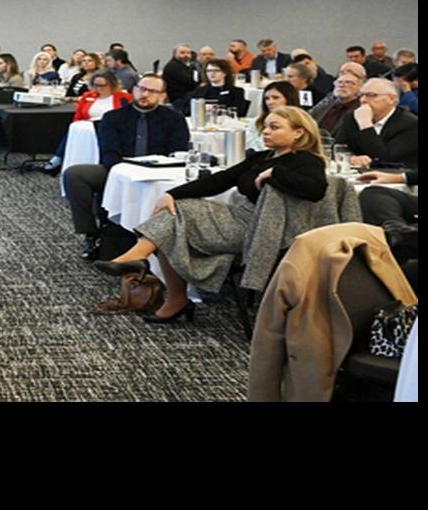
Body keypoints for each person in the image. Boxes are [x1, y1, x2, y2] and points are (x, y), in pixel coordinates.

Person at [93, 106, 329, 322]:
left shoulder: (306, 161)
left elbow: (316, 189)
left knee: (177, 216)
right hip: (241, 218)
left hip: (262, 230)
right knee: (173, 215)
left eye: (274, 127)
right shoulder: (262, 157)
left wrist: (275, 174)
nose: (266, 132)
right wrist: (173, 194)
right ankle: (158, 278)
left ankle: (155, 275)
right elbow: (221, 181)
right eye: (265, 126)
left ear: (298, 133)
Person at [62, 74, 190, 260]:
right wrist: (127, 173)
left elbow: (178, 152)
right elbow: (109, 153)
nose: (144, 94)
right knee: (75, 175)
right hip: (118, 170)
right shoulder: (113, 117)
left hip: (158, 172)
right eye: (141, 89)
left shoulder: (174, 119)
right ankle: (91, 233)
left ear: (162, 96)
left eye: (152, 91)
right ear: (133, 91)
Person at [31, 70, 133, 176]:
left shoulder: (124, 98)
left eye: (103, 85)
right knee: (73, 129)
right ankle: (59, 159)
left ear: (112, 84)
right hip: (88, 127)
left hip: (112, 128)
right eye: (97, 85)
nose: (100, 88)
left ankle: (57, 159)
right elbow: (78, 116)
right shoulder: (87, 96)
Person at [335, 77, 419, 168]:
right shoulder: (352, 117)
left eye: (371, 95)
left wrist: (366, 125)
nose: (363, 100)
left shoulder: (410, 124)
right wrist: (350, 158)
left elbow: (385, 160)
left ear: (391, 99)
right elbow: (337, 147)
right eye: (362, 95)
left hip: (393, 177)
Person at [173, 59, 245, 116]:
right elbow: (182, 106)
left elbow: (239, 112)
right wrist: (201, 108)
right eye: (209, 71)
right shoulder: (199, 91)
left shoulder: (236, 92)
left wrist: (218, 109)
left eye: (216, 70)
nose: (212, 73)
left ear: (225, 73)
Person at [246, 80, 299, 151]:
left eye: (276, 98)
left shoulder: (298, 122)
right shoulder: (257, 121)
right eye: (267, 98)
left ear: (289, 98)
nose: (269, 102)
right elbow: (248, 145)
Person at [308, 70, 362, 135]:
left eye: (348, 83)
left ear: (360, 88)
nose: (342, 85)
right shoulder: (324, 106)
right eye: (339, 82)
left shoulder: (360, 110)